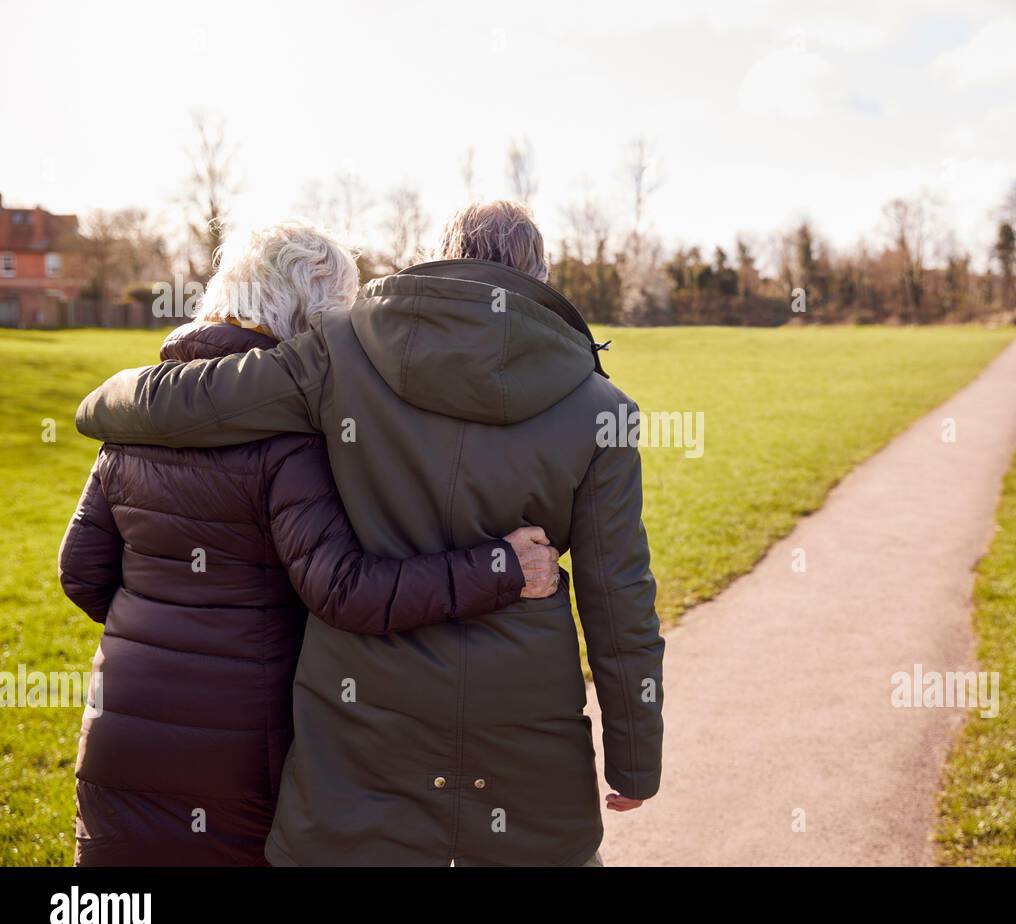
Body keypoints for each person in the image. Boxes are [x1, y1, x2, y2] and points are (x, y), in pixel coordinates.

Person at [77, 200, 665, 866]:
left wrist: (103, 398)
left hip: (361, 729)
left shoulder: (338, 353)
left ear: (442, 254)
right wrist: (635, 758)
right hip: (523, 720)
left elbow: (189, 401)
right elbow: (619, 601)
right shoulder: (602, 409)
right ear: (539, 273)